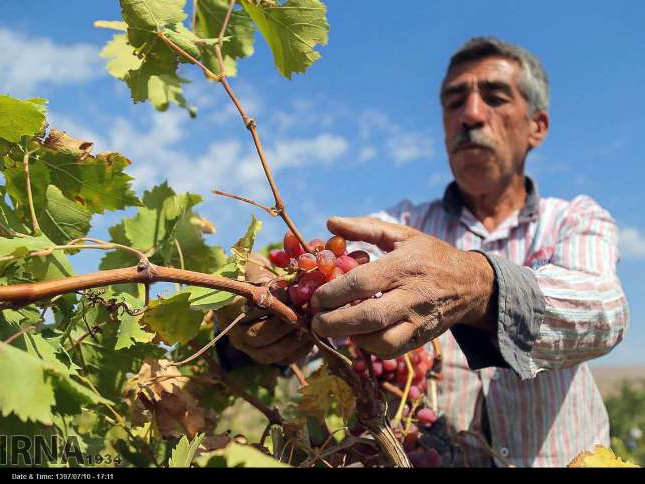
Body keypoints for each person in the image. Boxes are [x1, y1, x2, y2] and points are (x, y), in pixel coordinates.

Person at [220, 37, 630, 467]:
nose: (470, 114)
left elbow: (603, 311)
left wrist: (481, 287)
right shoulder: (394, 229)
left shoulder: (576, 219)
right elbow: (325, 288)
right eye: (455, 102)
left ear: (537, 126)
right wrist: (259, 315)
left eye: (495, 97)